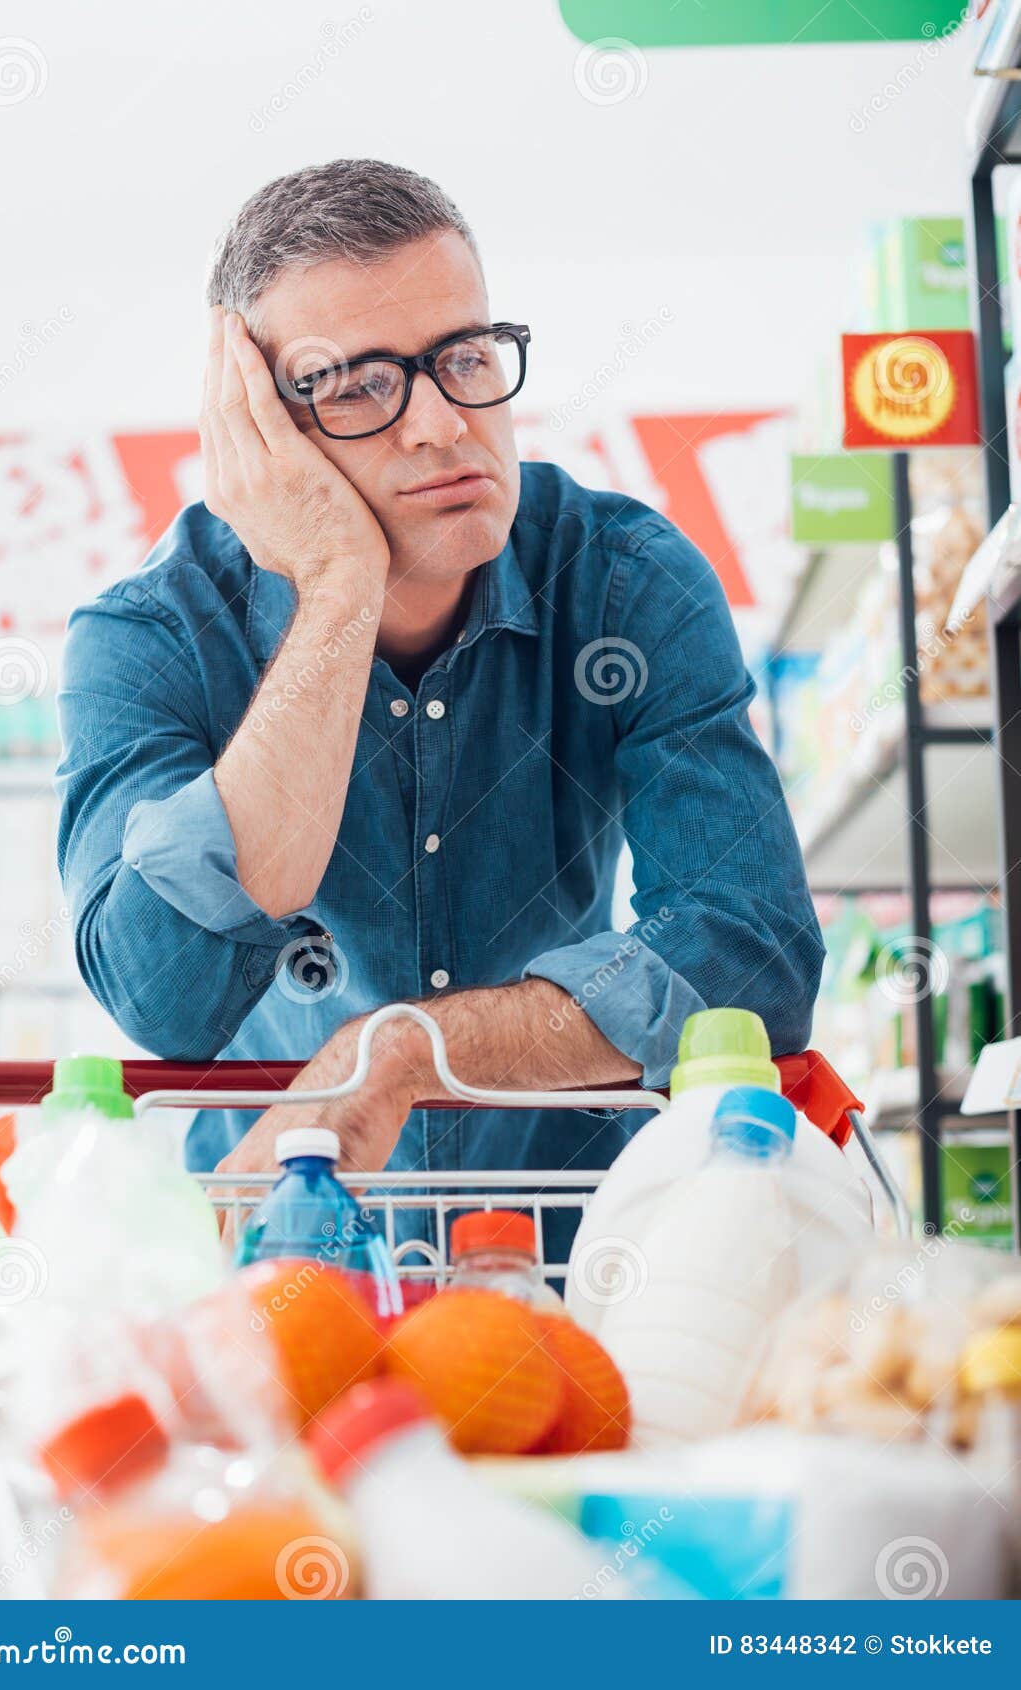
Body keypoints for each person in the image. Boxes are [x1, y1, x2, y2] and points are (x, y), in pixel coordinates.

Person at [57, 158, 823, 1257]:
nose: (443, 425)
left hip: (577, 1258)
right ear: (256, 428)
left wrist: (404, 1049)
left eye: (465, 357)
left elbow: (752, 952)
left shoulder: (624, 582)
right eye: (363, 383)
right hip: (284, 1264)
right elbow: (162, 990)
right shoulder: (149, 635)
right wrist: (337, 591)